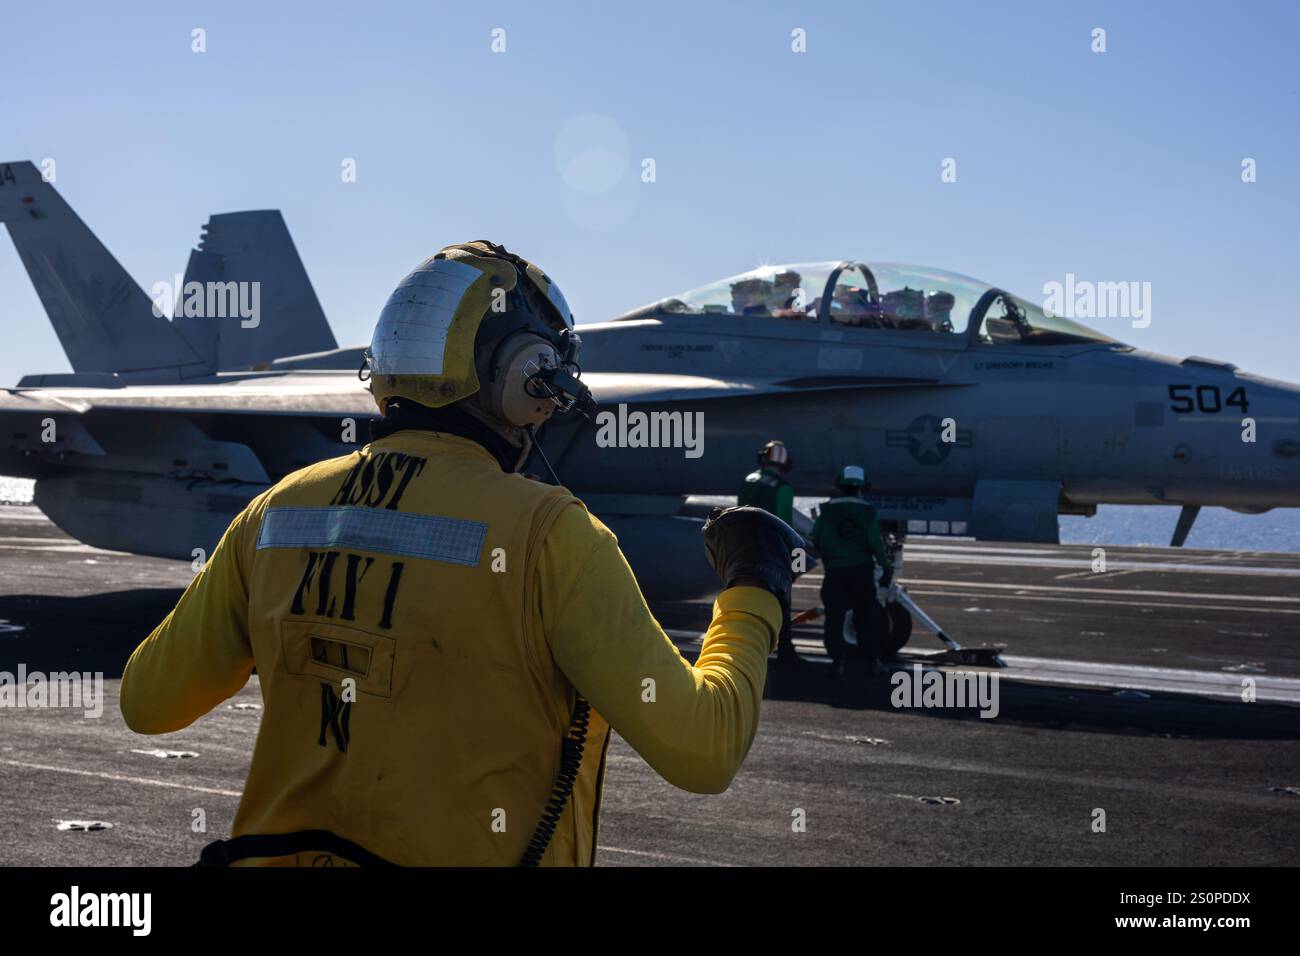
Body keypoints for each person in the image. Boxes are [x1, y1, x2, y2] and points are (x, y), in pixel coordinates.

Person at [120, 240, 803, 867]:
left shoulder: (277, 512)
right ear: (525, 374)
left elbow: (149, 702)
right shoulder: (552, 536)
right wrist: (753, 586)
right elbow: (703, 750)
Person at [809, 465, 893, 678]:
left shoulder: (827, 510)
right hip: (861, 573)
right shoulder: (867, 510)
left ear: (840, 484)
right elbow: (874, 542)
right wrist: (886, 566)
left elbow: (815, 539)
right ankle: (873, 662)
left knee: (834, 619)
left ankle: (838, 663)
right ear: (863, 486)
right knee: (866, 618)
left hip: (834, 573)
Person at [737, 440, 803, 669]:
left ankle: (742, 653)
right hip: (772, 555)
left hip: (744, 551)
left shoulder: (747, 482)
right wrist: (795, 561)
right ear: (785, 463)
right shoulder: (783, 489)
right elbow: (786, 526)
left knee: (745, 601)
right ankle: (786, 654)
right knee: (780, 605)